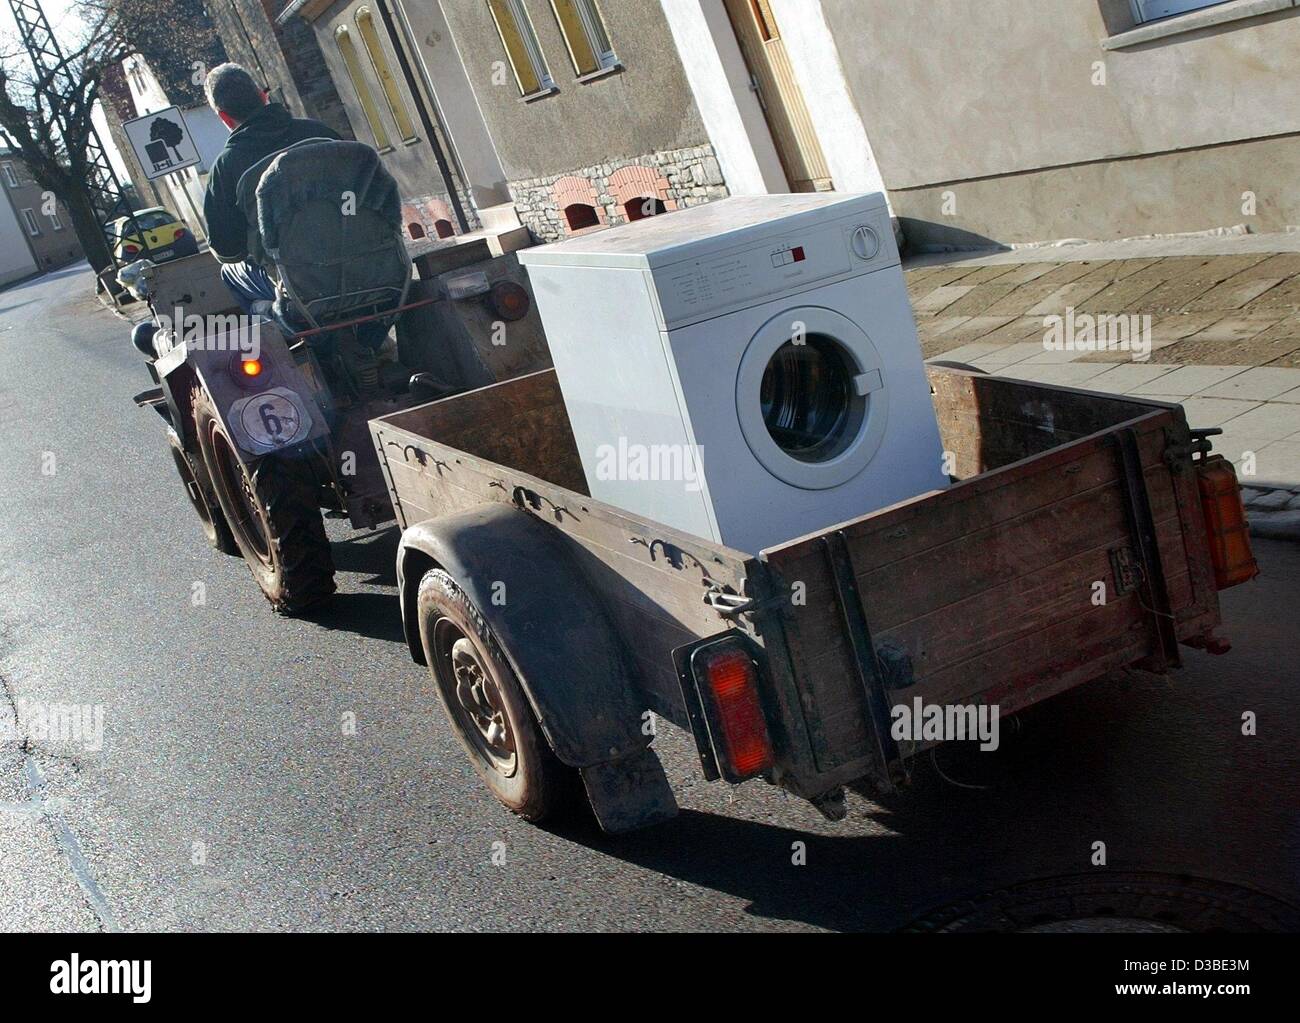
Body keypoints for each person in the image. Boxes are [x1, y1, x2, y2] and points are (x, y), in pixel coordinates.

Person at [201, 63, 340, 315]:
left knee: (230, 273)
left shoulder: (226, 168)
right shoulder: (321, 133)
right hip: (359, 254)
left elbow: (227, 251)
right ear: (263, 96)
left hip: (294, 277)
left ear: (224, 117)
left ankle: (282, 321)